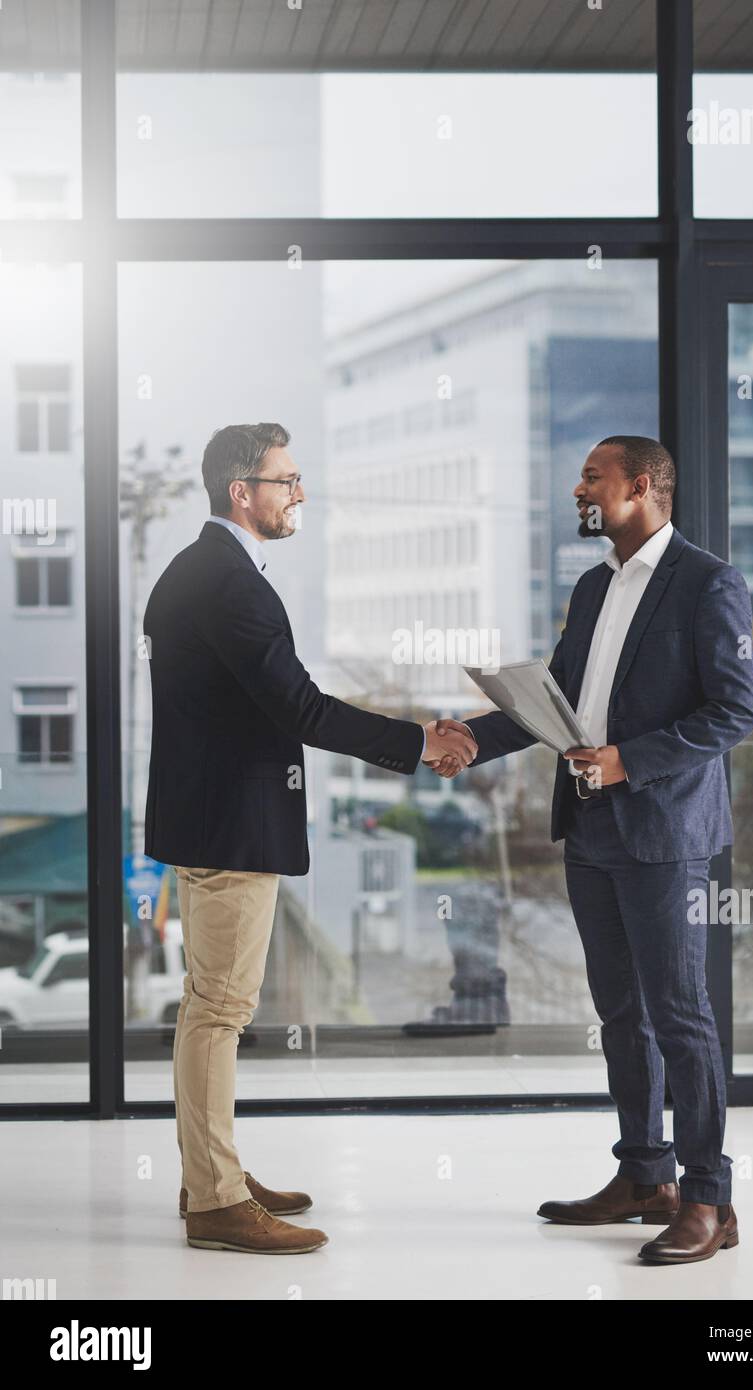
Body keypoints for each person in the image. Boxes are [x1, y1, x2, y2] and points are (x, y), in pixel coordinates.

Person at [143, 421, 476, 1255]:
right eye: (286, 481)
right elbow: (301, 707)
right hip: (229, 824)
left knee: (208, 1006)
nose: (299, 495)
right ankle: (216, 1200)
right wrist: (416, 742)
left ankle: (209, 1172)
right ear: (240, 493)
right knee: (219, 1009)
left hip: (212, 816)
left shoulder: (203, 571)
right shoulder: (229, 583)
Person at [432, 435, 753, 1265]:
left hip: (665, 834)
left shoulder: (707, 582)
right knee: (621, 1015)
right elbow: (557, 704)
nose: (579, 488)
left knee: (682, 1019)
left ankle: (709, 1199)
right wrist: (471, 736)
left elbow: (735, 711)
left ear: (642, 486)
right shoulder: (591, 587)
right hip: (592, 829)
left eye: (593, 477)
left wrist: (627, 759)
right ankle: (645, 1178)